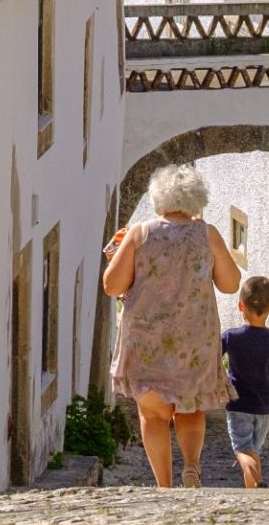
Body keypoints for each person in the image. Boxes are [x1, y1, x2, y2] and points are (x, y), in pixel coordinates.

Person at [102, 164, 242, 488]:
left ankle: (164, 485)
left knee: (153, 416)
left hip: (146, 340)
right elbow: (231, 283)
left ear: (157, 197)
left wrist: (121, 254)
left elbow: (112, 285)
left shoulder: (139, 234)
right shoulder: (207, 234)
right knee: (190, 409)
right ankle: (191, 467)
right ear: (197, 200)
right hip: (194, 339)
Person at [221, 275, 269, 489]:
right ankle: (253, 491)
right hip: (264, 406)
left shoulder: (231, 337)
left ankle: (258, 480)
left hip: (238, 404)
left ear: (240, 306)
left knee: (243, 450)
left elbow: (210, 357)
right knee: (254, 449)